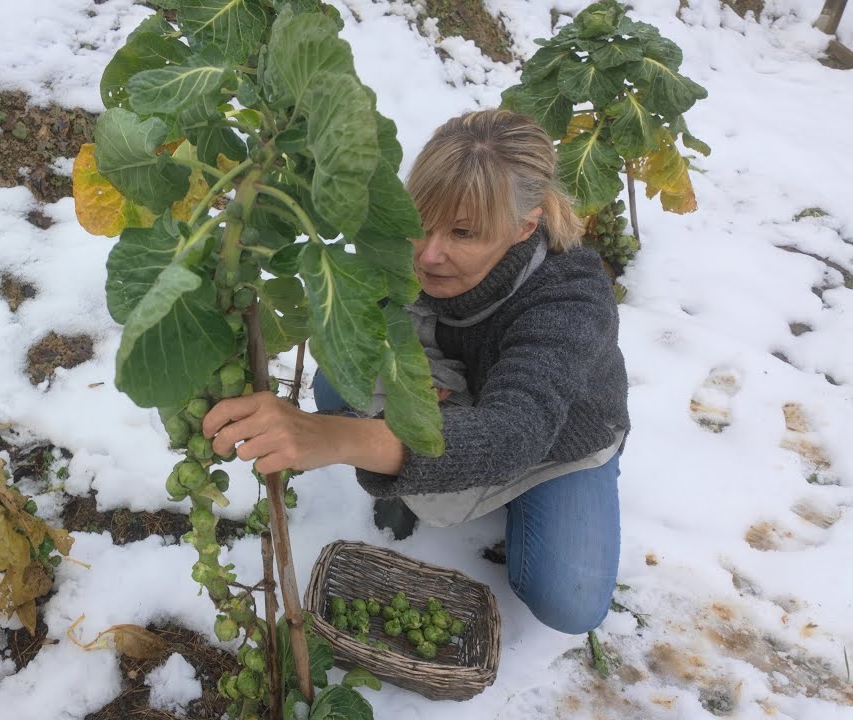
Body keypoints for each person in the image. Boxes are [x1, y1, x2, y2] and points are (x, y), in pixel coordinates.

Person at [199, 109, 629, 636]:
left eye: (465, 233)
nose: (429, 254)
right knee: (341, 379)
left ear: (524, 228)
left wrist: (333, 437)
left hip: (557, 439)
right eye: (419, 221)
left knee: (570, 603)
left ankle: (532, 501)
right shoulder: (401, 245)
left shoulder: (571, 293)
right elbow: (362, 320)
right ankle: (416, 477)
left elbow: (519, 429)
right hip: (453, 390)